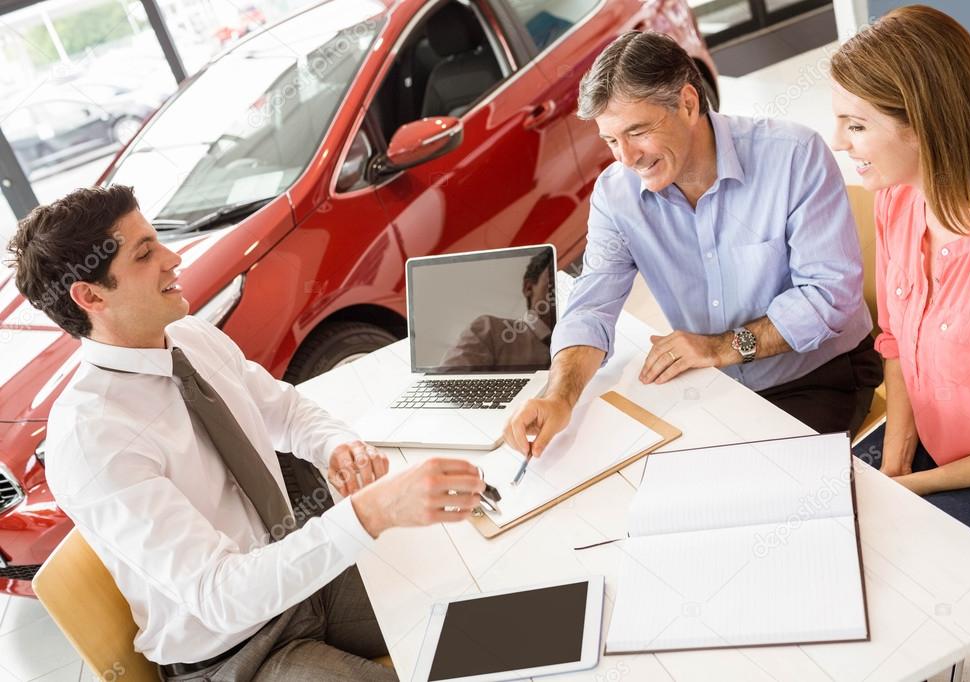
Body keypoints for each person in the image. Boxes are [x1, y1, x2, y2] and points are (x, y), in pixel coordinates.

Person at [6, 185, 487, 680]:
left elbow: (283, 409)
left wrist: (335, 445)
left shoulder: (191, 336)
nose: (174, 259)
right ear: (89, 295)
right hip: (234, 651)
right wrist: (371, 512)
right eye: (146, 254)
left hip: (300, 581)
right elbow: (222, 597)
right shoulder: (92, 438)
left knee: (479, 611)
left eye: (158, 241)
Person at [504, 30, 882, 457]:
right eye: (611, 141)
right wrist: (559, 397)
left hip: (817, 375)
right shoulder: (616, 194)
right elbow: (591, 307)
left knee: (762, 489)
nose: (627, 158)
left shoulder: (795, 155)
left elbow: (829, 297)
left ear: (687, 104)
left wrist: (718, 346)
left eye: (638, 132)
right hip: (713, 379)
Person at [831, 6, 970, 557]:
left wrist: (914, 487)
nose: (838, 141)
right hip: (929, 458)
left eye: (857, 124)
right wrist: (895, 460)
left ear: (922, 125)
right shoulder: (896, 200)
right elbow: (895, 343)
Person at [440, 249, 554, 370]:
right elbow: (447, 383)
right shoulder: (488, 330)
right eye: (553, 276)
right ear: (529, 288)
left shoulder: (572, 340)